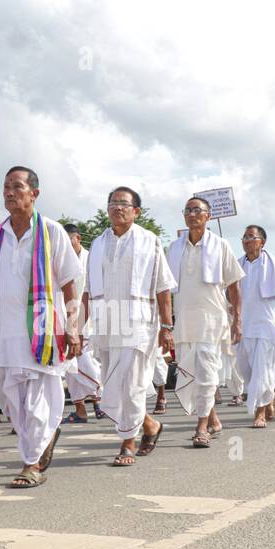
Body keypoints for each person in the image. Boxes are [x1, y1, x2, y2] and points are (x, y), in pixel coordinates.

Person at [0, 166, 81, 487]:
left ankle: (31, 464)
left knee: (38, 401)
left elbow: (70, 284)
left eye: (16, 186)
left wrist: (73, 326)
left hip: (43, 334)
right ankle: (43, 437)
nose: (9, 192)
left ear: (34, 193)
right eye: (6, 186)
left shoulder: (52, 231)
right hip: (5, 336)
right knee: (9, 400)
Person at [83, 186, 176, 465]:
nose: (117, 208)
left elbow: (163, 287)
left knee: (132, 385)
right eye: (112, 203)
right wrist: (77, 327)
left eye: (123, 203)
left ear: (136, 211)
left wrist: (167, 326)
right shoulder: (97, 244)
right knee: (113, 386)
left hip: (139, 323)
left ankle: (127, 443)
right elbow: (87, 290)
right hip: (106, 324)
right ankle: (150, 425)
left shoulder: (149, 241)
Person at [166, 198, 243, 446]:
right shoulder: (173, 248)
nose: (191, 214)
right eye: (187, 210)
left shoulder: (221, 245)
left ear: (208, 216)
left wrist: (237, 320)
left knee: (207, 373)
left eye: (196, 210)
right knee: (192, 374)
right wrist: (164, 324)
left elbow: (234, 286)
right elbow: (164, 288)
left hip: (212, 320)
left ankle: (201, 426)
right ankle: (214, 420)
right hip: (183, 321)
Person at [237, 225, 275, 427]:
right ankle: (269, 397)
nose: (246, 240)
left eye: (251, 237)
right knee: (246, 370)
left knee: (262, 369)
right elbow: (229, 296)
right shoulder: (237, 265)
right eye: (244, 237)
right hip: (244, 326)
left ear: (262, 242)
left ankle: (259, 412)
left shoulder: (274, 265)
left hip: (268, 325)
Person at [62, 222, 104, 423]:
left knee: (87, 362)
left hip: (89, 320)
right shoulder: (60, 261)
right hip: (66, 320)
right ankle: (80, 410)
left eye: (68, 241)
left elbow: (92, 293)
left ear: (78, 238)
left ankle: (102, 399)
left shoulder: (91, 259)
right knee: (70, 367)